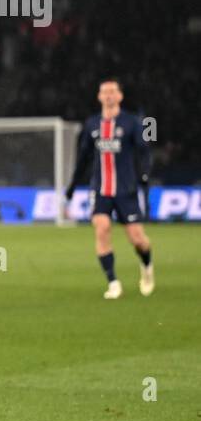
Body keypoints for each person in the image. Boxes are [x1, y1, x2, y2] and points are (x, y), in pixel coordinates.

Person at [64, 77, 154, 299]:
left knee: (137, 239)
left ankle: (147, 266)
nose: (109, 95)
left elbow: (144, 151)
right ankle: (113, 282)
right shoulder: (92, 124)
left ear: (120, 96)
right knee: (102, 229)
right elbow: (83, 158)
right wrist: (73, 187)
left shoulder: (133, 122)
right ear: (99, 96)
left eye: (113, 91)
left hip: (126, 189)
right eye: (105, 92)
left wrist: (144, 175)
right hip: (100, 189)